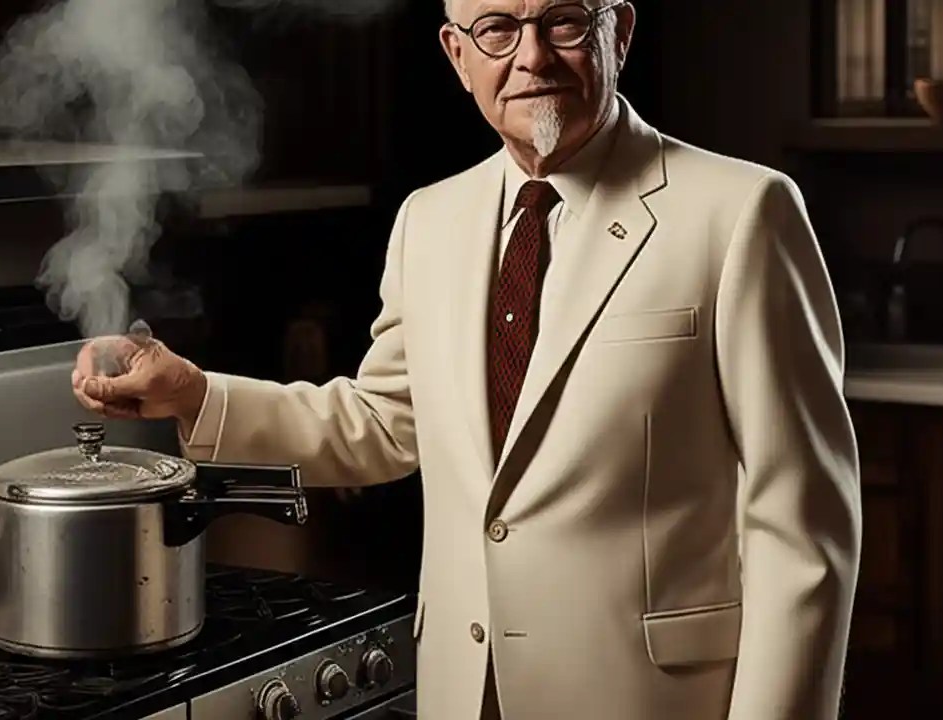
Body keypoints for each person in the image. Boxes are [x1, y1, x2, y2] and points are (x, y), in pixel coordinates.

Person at [72, 0, 863, 718]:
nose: (532, 58)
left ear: (618, 32)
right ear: (458, 55)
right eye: (497, 30)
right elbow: (383, 423)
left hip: (653, 696)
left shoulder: (742, 211)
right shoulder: (431, 219)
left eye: (562, 22)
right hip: (462, 687)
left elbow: (803, 531)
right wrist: (195, 394)